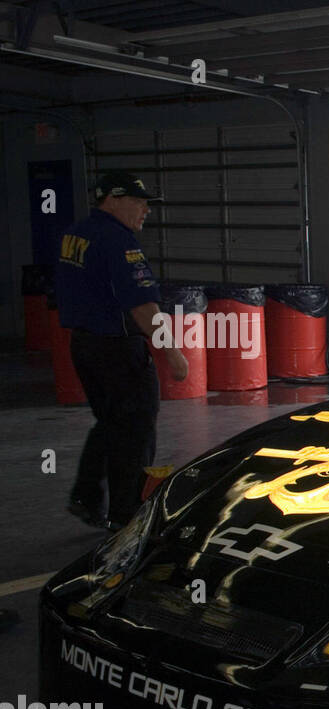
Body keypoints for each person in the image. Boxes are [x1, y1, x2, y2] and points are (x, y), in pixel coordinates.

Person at [56, 170, 187, 531]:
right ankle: (126, 514)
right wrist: (173, 353)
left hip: (84, 346)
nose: (145, 210)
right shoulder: (119, 241)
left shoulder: (75, 234)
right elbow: (144, 306)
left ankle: (86, 495)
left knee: (110, 422)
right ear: (112, 200)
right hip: (117, 349)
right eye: (138, 201)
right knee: (136, 429)